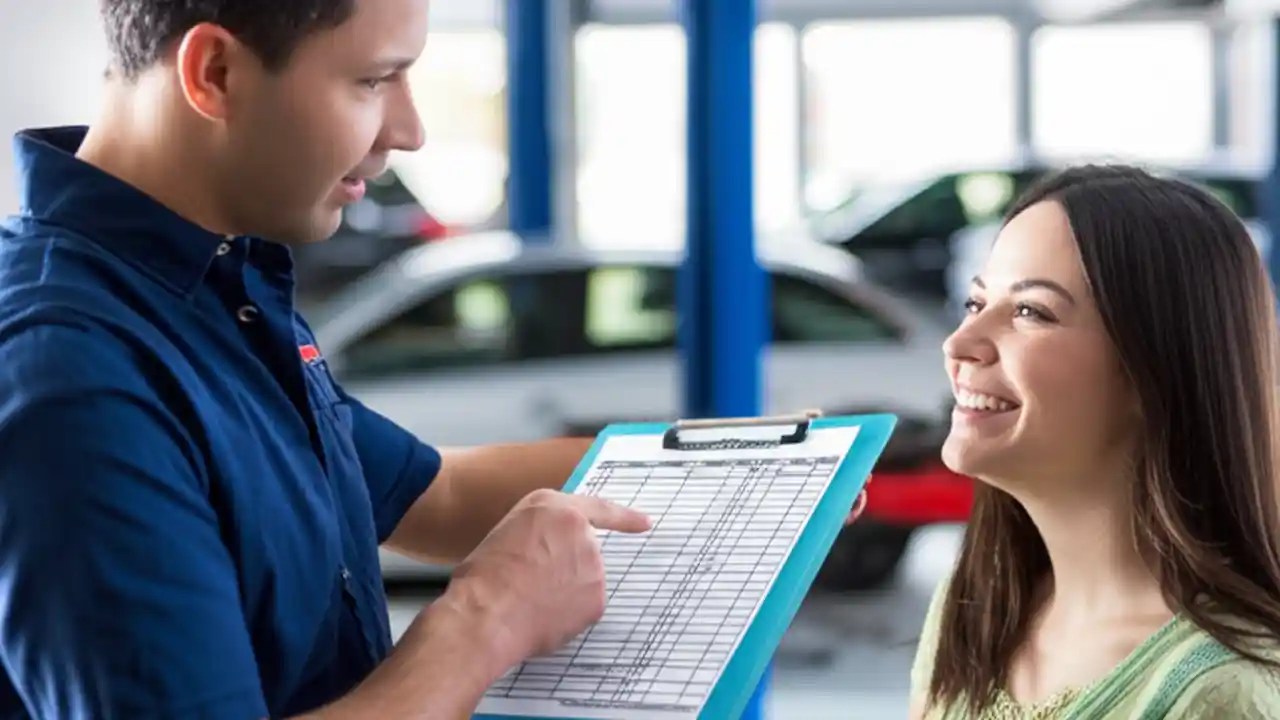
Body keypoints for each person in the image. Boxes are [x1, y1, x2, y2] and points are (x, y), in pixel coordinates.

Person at [0, 1, 867, 717]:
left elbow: (435, 493)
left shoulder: (218, 288)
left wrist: (752, 475)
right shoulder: (71, 375)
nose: (409, 132)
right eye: (373, 80)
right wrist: (482, 622)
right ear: (215, 73)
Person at [908, 164, 1280, 719]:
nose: (960, 344)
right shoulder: (971, 607)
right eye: (976, 304)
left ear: (1154, 372)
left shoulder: (1224, 693)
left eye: (1030, 311)